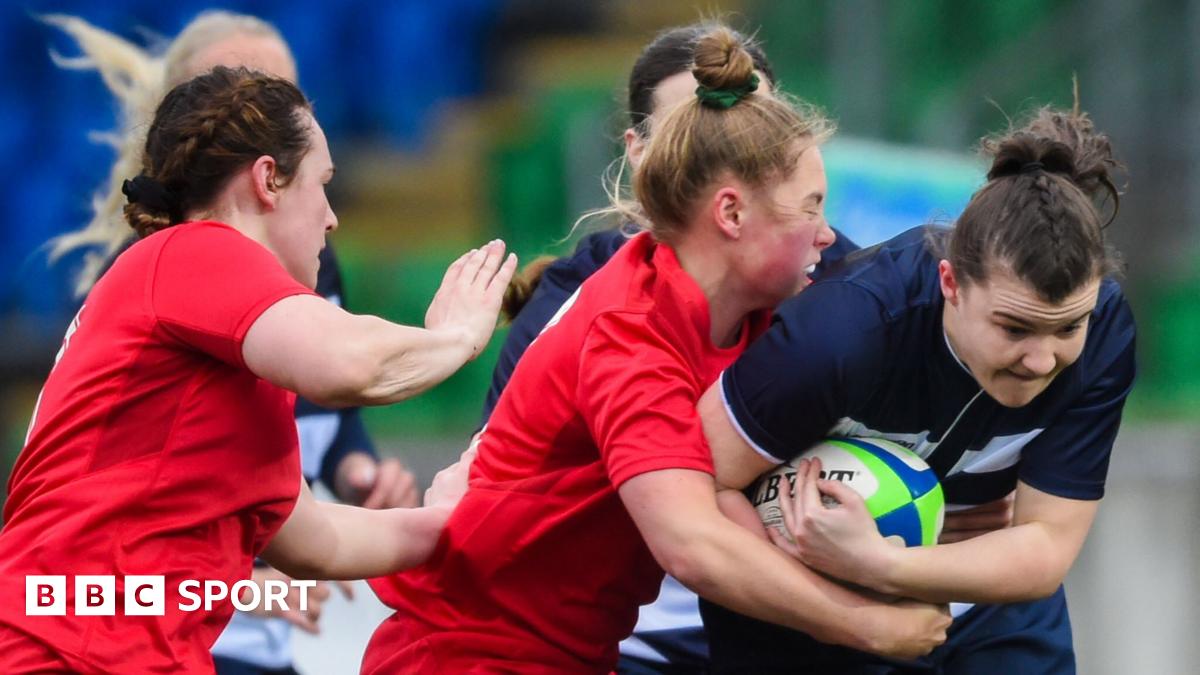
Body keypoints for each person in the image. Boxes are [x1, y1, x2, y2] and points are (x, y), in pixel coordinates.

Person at [364, 27, 951, 674]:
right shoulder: (630, 329)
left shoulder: (754, 310)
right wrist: (867, 625)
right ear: (731, 214)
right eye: (811, 207)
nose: (826, 233)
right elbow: (690, 543)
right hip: (468, 655)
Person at [0, 66, 516, 674]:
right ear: (269, 179)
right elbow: (349, 364)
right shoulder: (196, 252)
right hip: (65, 653)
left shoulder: (235, 365)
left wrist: (466, 518)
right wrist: (456, 339)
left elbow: (319, 542)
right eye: (322, 184)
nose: (331, 217)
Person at [41, 13, 420, 673]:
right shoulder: (169, 266)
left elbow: (312, 471)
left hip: (231, 631)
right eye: (239, 92)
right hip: (147, 631)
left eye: (280, 93)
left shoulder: (308, 267)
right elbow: (113, 519)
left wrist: (364, 476)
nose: (263, 114)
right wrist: (461, 333)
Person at [695, 104, 1135, 673]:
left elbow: (1046, 546)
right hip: (801, 602)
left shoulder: (1104, 332)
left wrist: (882, 564)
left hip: (978, 594)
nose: (1042, 359)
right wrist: (840, 604)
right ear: (950, 282)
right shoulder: (842, 335)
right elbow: (702, 487)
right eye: (1014, 328)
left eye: (1068, 326)